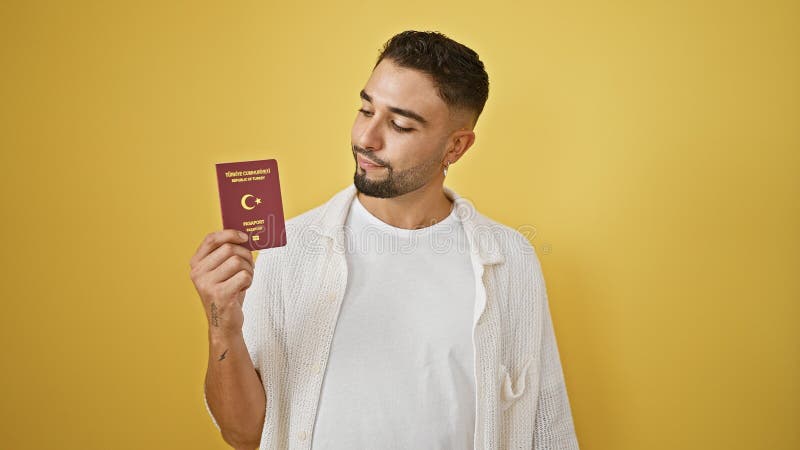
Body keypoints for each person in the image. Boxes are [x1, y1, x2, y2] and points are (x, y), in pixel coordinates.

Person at [190, 30, 579, 450]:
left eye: (399, 124)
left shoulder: (509, 261)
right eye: (365, 109)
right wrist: (222, 327)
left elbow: (546, 426)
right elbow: (245, 435)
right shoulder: (289, 251)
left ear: (456, 147)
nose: (366, 139)